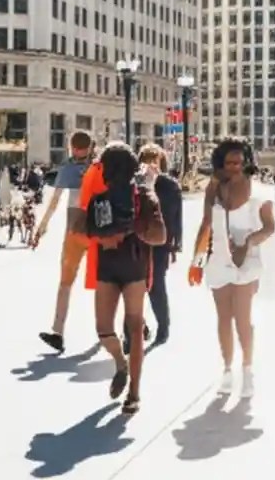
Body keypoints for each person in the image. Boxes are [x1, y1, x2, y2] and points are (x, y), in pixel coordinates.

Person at [76, 142, 166, 415]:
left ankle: (134, 392)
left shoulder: (141, 196)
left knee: (134, 328)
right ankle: (121, 364)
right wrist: (108, 234)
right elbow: (88, 229)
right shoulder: (104, 198)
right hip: (117, 266)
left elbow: (160, 234)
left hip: (130, 266)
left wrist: (129, 231)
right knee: (105, 330)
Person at [187, 138, 275, 397]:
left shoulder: (259, 191)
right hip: (218, 260)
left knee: (243, 320)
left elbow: (270, 227)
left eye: (239, 162)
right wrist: (196, 261)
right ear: (220, 164)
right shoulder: (213, 190)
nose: (235, 167)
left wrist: (249, 242)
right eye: (229, 163)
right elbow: (205, 225)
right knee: (224, 319)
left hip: (246, 260)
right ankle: (227, 370)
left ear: (247, 162)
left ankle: (247, 371)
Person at [34, 131, 96, 353]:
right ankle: (112, 329)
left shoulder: (68, 168)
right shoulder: (98, 167)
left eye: (78, 147)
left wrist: (42, 226)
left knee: (66, 282)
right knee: (106, 282)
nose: (77, 151)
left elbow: (55, 200)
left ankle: (58, 331)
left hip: (75, 230)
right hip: (96, 230)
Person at [138, 144, 184, 347]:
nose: (150, 165)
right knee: (138, 285)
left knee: (155, 284)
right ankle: (138, 328)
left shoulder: (169, 185)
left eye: (153, 160)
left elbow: (176, 218)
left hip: (158, 242)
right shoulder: (137, 183)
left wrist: (174, 246)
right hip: (142, 240)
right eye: (146, 160)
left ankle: (162, 326)